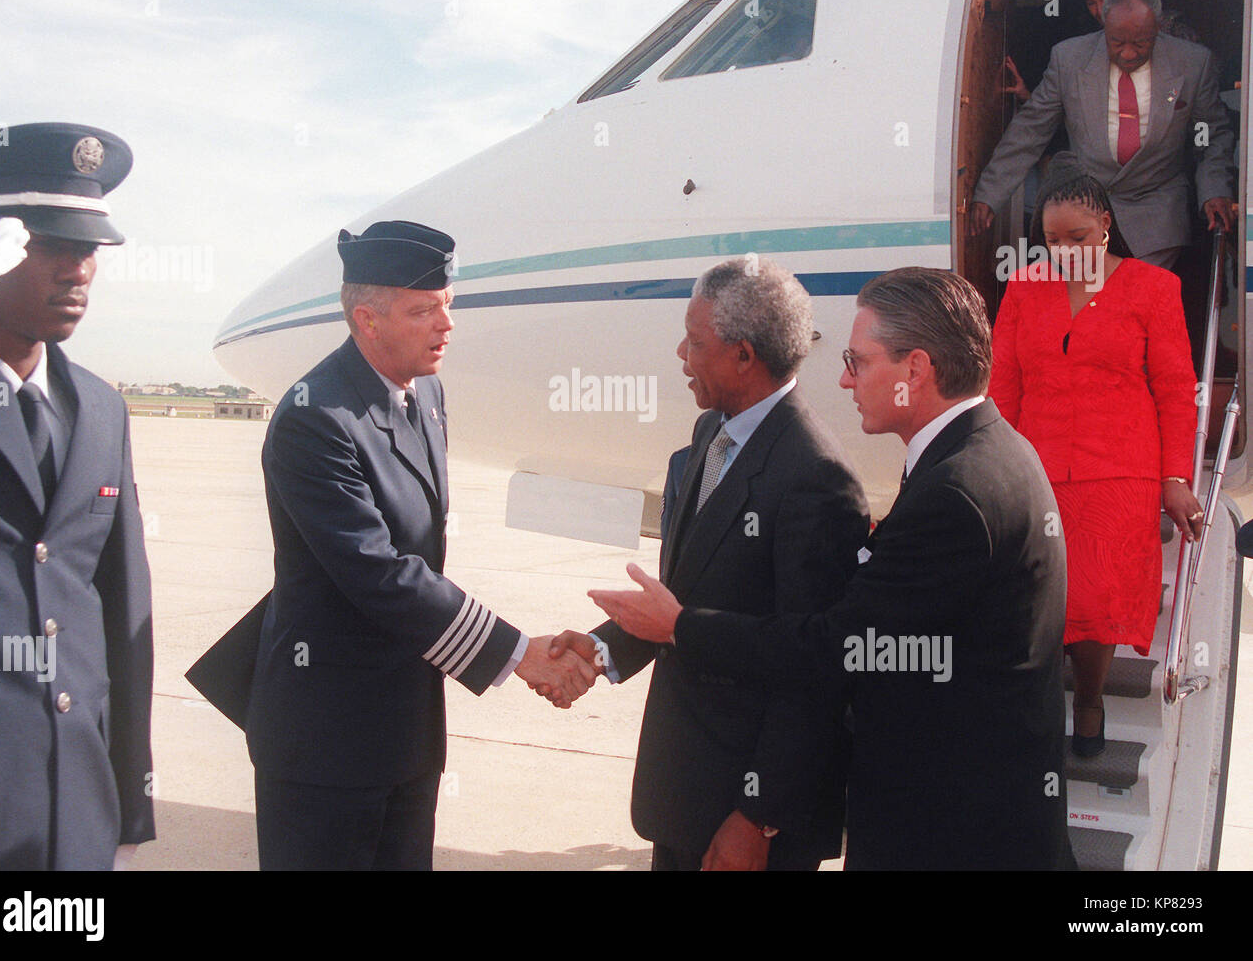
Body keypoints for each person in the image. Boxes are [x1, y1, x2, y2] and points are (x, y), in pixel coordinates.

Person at [589, 267, 1074, 870]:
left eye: (858, 361)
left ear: (915, 370)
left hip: (953, 836)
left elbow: (833, 649)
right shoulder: (985, 453)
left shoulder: (956, 490)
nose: (843, 379)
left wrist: (681, 627)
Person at [244, 220, 597, 870]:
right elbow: (378, 572)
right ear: (366, 319)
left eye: (447, 306)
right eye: (423, 310)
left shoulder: (426, 394)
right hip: (326, 745)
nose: (446, 325)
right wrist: (520, 654)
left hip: (407, 735)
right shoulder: (315, 418)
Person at [548, 257, 868, 871]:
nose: (680, 353)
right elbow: (687, 605)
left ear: (744, 357)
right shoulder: (710, 435)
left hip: (744, 824)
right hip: (685, 800)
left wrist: (758, 818)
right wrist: (598, 651)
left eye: (695, 342)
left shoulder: (815, 478)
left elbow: (818, 669)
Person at [0, 122, 154, 869]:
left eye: (89, 249)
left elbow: (121, 607)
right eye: (49, 244)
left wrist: (129, 800)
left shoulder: (100, 409)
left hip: (73, 812)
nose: (78, 269)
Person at [989, 155, 1201, 757]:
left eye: (1077, 238)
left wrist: (1176, 477)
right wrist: (996, 470)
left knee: (1096, 600)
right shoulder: (1024, 287)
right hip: (1038, 466)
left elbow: (1175, 390)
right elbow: (1003, 386)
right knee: (1036, 594)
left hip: (1120, 472)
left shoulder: (1153, 288)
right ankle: (1036, 705)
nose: (1064, 251)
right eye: (1051, 240)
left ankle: (1088, 699)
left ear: (1105, 225)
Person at [969, 0, 1236, 271]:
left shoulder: (1193, 62)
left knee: (1134, 303)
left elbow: (1212, 134)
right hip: (1085, 211)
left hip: (1156, 213)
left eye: (1141, 43)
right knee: (1090, 308)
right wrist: (990, 193)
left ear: (1157, 28)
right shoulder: (1069, 58)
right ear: (1103, 27)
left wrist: (1214, 188)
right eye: (1117, 43)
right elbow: (1031, 129)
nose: (1129, 54)